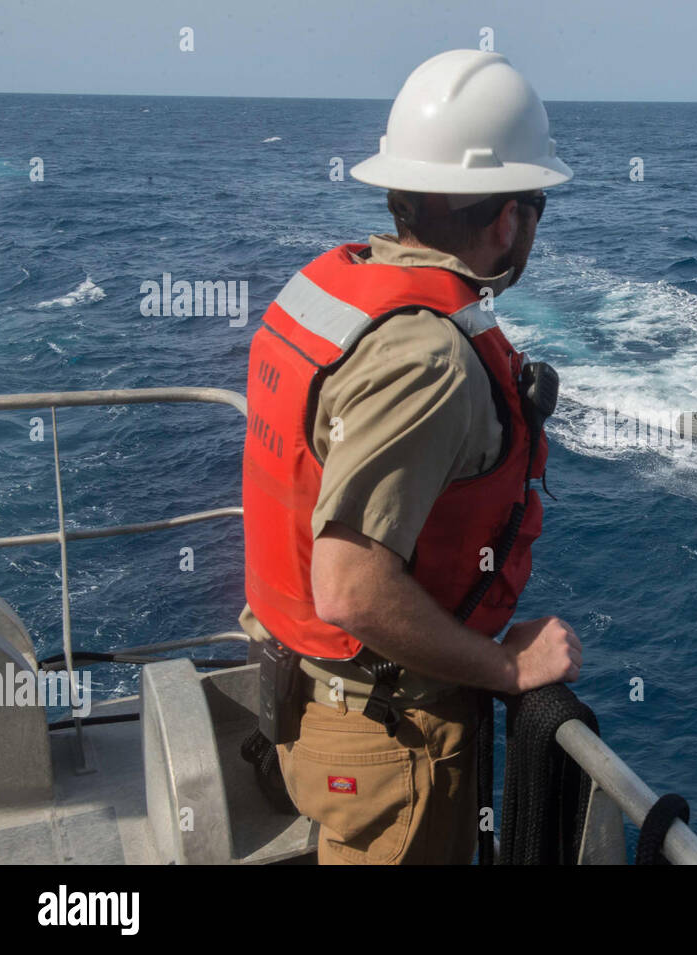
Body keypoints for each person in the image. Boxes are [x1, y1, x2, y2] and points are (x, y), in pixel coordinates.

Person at [238, 50, 581, 865]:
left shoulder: (336, 292)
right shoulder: (428, 359)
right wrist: (504, 663)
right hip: (387, 741)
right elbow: (350, 586)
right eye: (535, 204)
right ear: (507, 220)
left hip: (312, 698)